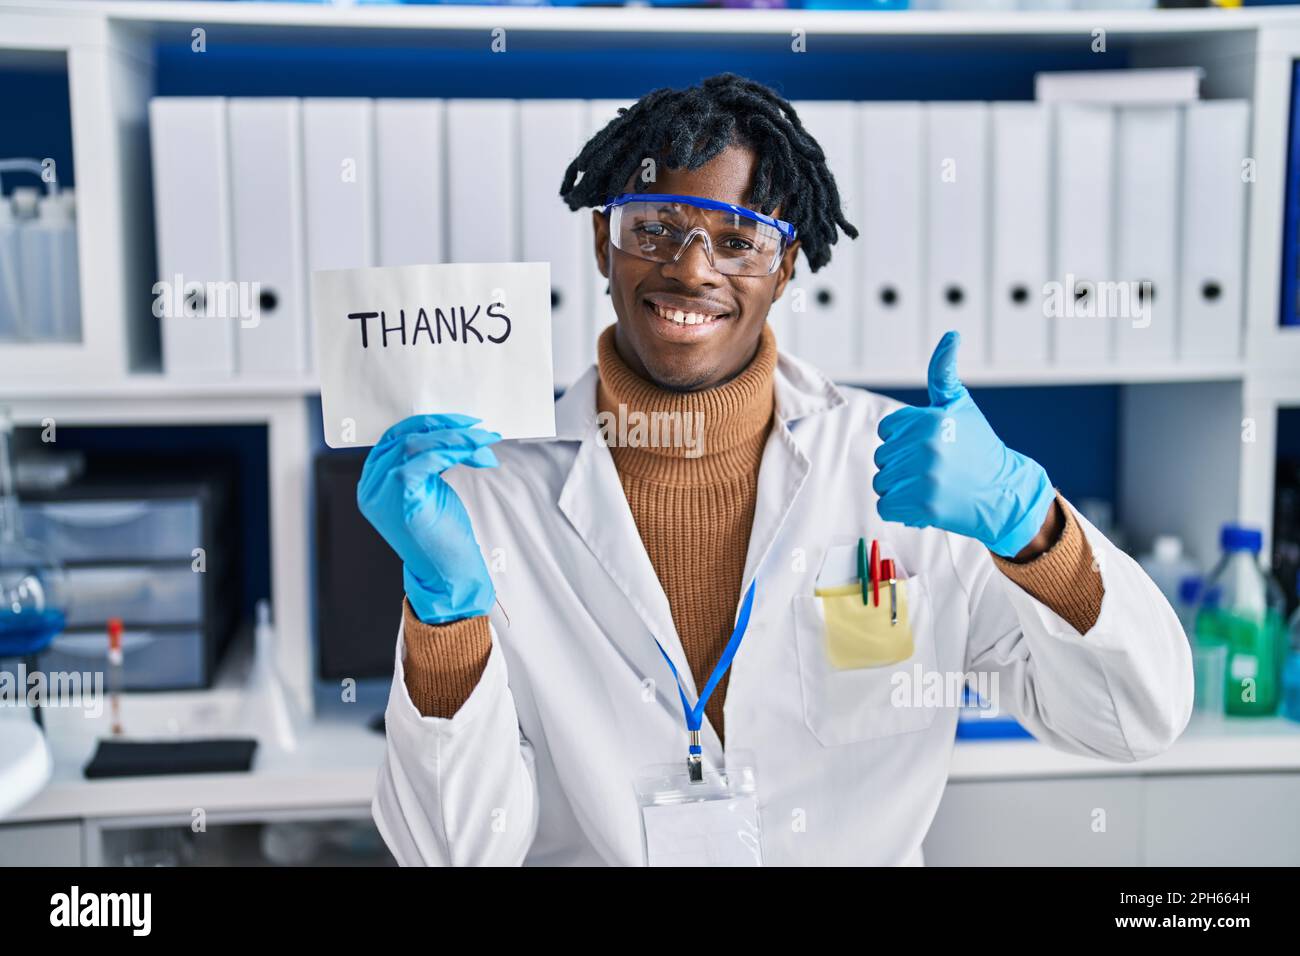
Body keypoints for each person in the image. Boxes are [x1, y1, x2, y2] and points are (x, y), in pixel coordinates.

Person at [360, 74, 1193, 866]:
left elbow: (1134, 722)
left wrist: (1033, 527)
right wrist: (446, 622)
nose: (692, 269)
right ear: (602, 242)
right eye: (653, 228)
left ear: (786, 268)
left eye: (738, 241)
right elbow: (451, 851)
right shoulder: (492, 499)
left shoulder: (902, 473)